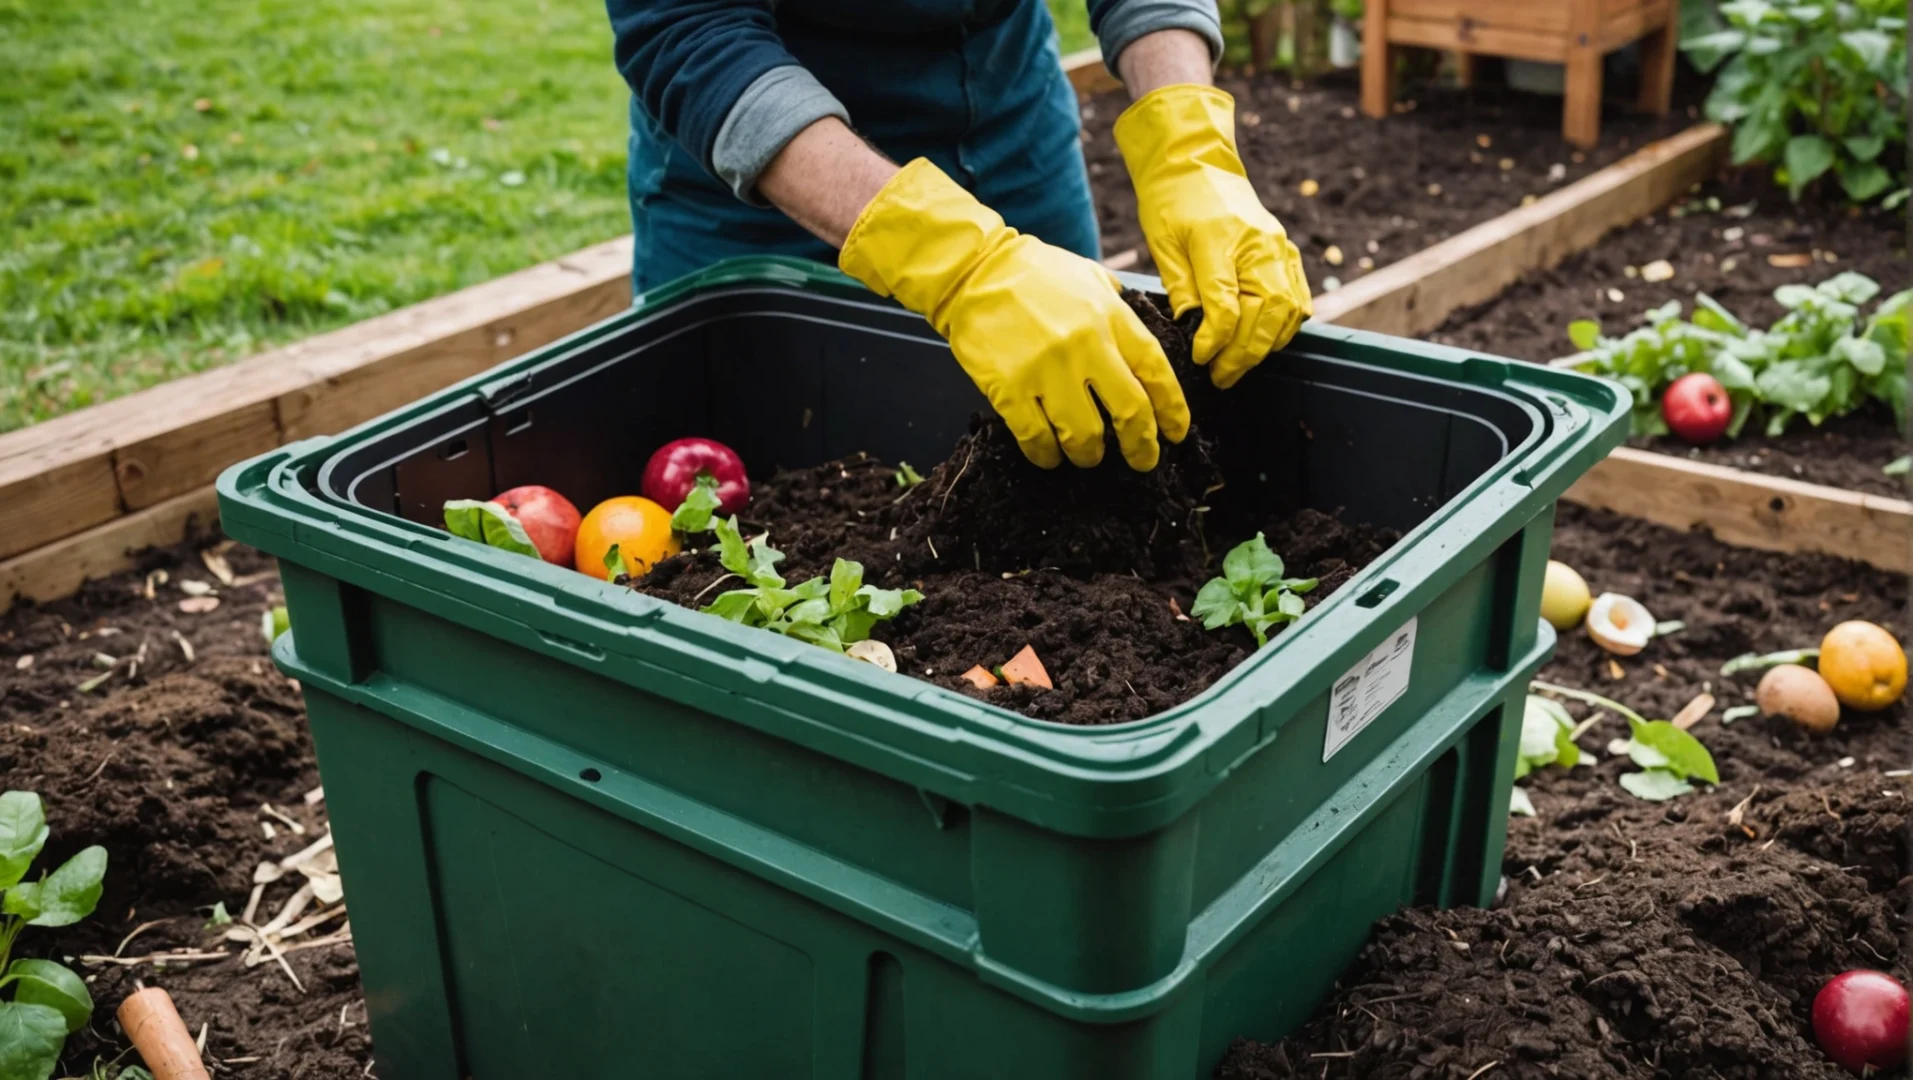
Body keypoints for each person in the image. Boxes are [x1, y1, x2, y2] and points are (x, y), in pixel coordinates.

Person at [605, 0, 1310, 472]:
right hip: (768, 188)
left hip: (1008, 126)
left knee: (1088, 445)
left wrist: (1185, 141)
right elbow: (689, 29)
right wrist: (960, 266)